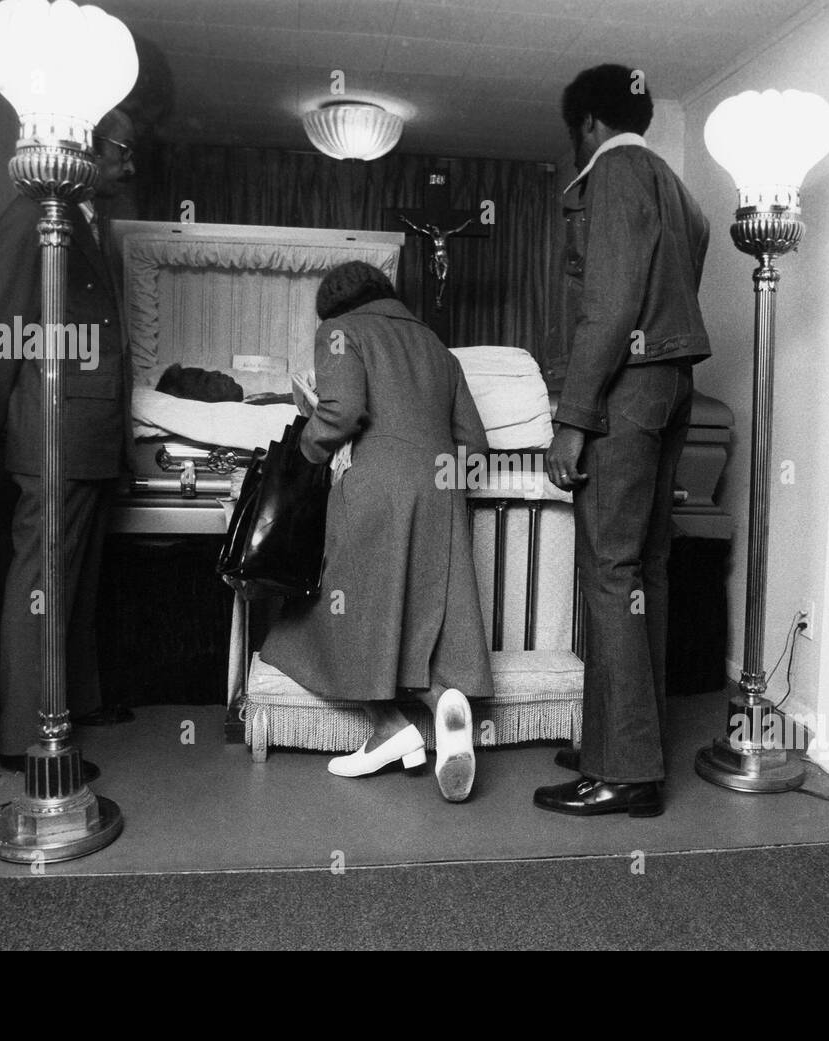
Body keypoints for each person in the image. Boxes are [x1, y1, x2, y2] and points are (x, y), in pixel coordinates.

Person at [534, 64, 710, 817]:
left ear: (587, 126)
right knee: (649, 570)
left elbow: (606, 309)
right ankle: (626, 739)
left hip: (625, 389)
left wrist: (573, 418)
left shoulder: (609, 177)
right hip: (674, 381)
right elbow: (690, 255)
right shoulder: (675, 185)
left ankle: (628, 768)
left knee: (610, 571)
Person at [259, 261, 493, 803]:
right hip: (441, 495)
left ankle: (390, 727)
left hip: (373, 488)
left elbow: (342, 413)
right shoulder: (437, 348)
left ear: (334, 308)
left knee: (323, 616)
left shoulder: (341, 331)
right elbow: (475, 448)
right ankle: (441, 705)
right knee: (406, 615)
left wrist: (303, 453)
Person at [0, 108, 139, 775]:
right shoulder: (32, 217)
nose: (129, 165)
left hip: (90, 432)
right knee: (43, 584)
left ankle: (76, 701)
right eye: (121, 151)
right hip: (52, 429)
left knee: (75, 582)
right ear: (85, 146)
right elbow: (4, 328)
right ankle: (28, 735)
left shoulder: (89, 228)